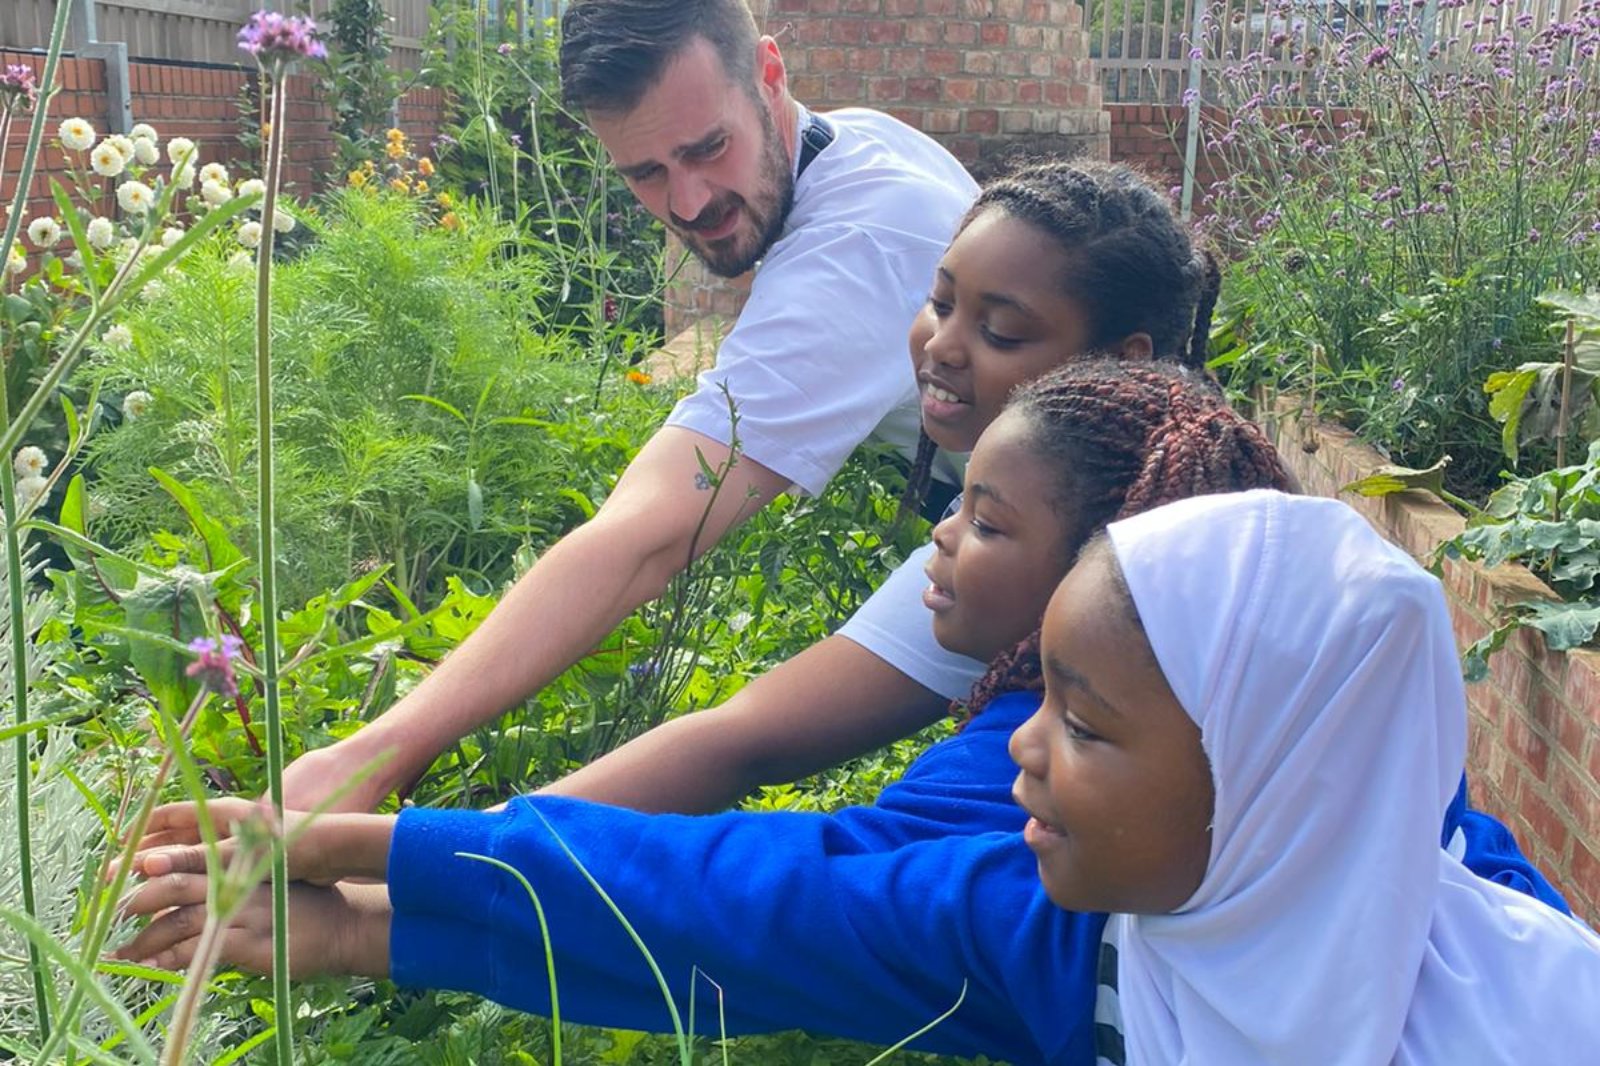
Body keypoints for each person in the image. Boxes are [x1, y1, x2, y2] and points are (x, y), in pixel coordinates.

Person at [119, 361, 1296, 1066]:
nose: (939, 537)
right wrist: (379, 912)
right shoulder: (1058, 760)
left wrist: (372, 856)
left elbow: (785, 902)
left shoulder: (1071, 915)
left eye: (986, 522)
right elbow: (810, 891)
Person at [280, 0, 980, 812]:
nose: (687, 204)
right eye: (645, 173)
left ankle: (419, 881)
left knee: (743, 748)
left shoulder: (855, 248)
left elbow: (647, 537)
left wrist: (369, 755)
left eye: (708, 149)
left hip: (1072, 539)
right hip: (1022, 501)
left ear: (770, 74)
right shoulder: (854, 141)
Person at [538, 159, 1223, 814]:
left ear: (1121, 361)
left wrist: (473, 847)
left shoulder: (1097, 589)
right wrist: (483, 839)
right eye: (940, 302)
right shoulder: (1041, 513)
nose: (941, 346)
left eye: (1001, 331)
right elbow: (745, 735)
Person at [1010, 490, 1600, 1062]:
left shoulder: (1551, 1029)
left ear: (1273, 787)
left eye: (1081, 725)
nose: (1021, 743)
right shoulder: (1145, 943)